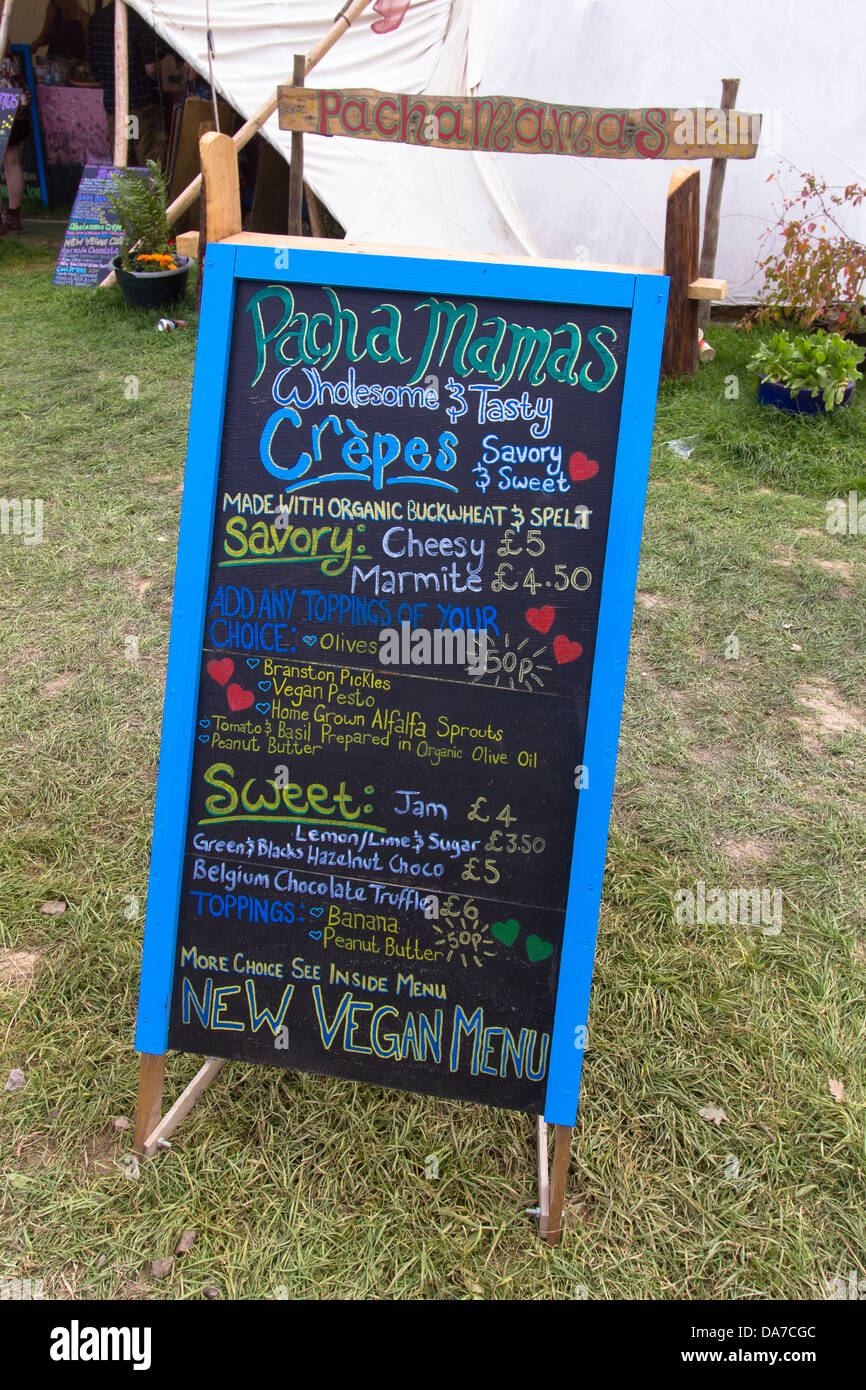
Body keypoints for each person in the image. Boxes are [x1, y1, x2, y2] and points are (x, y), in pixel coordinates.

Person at [87, 0, 167, 166]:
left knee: (124, 160)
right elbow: (150, 68)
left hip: (114, 107)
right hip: (138, 106)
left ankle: (126, 193)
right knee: (147, 160)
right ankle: (150, 194)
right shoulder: (138, 19)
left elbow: (93, 69)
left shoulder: (96, 20)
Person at [0, 45, 31, 238]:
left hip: (2, 97)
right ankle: (13, 216)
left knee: (10, 160)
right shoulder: (5, 35)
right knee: (12, 160)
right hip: (13, 97)